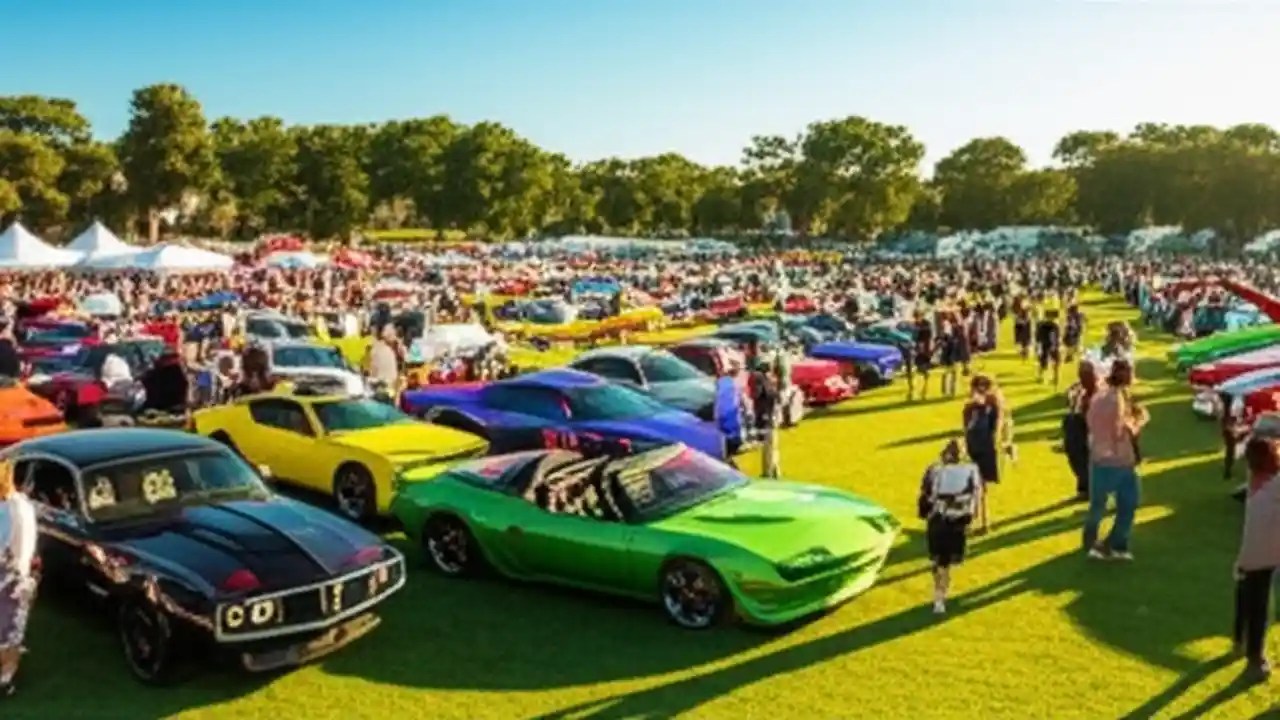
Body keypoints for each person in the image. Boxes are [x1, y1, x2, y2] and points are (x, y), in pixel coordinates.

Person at [1083, 358, 1148, 561]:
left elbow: (1093, 424)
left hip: (1099, 458)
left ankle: (1094, 544)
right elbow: (1120, 431)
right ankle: (1114, 544)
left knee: (1098, 506)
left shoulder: (1101, 395)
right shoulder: (1116, 399)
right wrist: (1139, 422)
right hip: (1118, 460)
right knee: (1129, 502)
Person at [1233, 430, 1280, 683]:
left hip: (1249, 555)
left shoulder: (1254, 480)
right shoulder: (1275, 487)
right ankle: (1255, 660)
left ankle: (1238, 642)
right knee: (1260, 610)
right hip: (1267, 555)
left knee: (1246, 602)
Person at [917, 439, 982, 615]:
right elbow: (976, 496)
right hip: (958, 522)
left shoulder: (935, 470)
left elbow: (924, 496)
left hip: (938, 520)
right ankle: (940, 596)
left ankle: (939, 598)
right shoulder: (971, 470)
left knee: (940, 562)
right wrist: (972, 519)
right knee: (945, 563)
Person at [0, 460, 38, 698]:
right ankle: (6, 678)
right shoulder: (24, 505)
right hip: (20, 576)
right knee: (12, 630)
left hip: (9, 578)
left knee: (6, 631)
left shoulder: (6, 510)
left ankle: (6, 678)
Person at [962, 374, 1003, 532]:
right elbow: (966, 427)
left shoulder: (993, 403)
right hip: (975, 446)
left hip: (986, 448)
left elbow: (999, 423)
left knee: (979, 486)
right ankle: (980, 521)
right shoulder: (971, 407)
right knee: (977, 486)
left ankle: (981, 521)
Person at [1063, 360, 1100, 502]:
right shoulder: (1080, 389)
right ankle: (1084, 488)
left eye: (1084, 375)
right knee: (1077, 458)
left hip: (1091, 430)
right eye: (1080, 374)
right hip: (1078, 430)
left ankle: (1090, 489)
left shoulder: (1097, 391)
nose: (1081, 378)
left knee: (1087, 460)